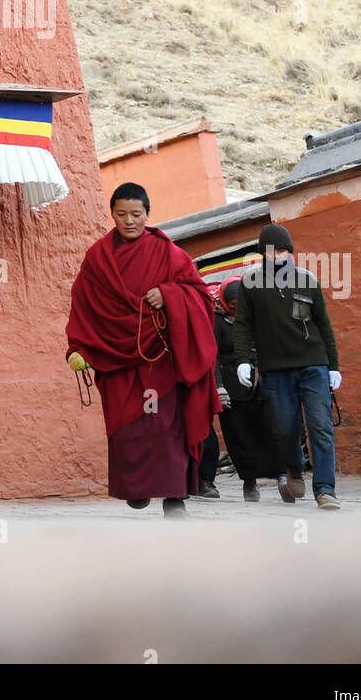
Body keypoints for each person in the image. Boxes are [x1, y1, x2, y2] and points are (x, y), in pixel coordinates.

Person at [65, 182, 220, 518]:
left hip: (160, 359)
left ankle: (174, 497)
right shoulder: (98, 257)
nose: (129, 220)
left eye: (136, 214)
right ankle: (136, 489)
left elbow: (200, 295)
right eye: (121, 214)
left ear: (148, 214)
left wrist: (169, 294)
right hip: (116, 358)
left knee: (166, 428)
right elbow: (83, 304)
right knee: (128, 429)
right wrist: (77, 346)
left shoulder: (168, 253)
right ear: (113, 215)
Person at [234, 223, 343, 509]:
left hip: (313, 365)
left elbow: (324, 326)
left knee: (321, 427)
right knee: (285, 429)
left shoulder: (307, 279)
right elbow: (243, 326)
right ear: (262, 254)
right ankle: (295, 468)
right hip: (275, 369)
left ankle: (325, 490)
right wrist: (243, 360)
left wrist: (333, 366)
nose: (278, 256)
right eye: (271, 252)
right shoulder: (250, 283)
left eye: (282, 250)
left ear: (290, 252)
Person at [215, 274, 282, 501]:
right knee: (239, 436)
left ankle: (282, 475)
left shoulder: (257, 317)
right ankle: (249, 482)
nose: (236, 310)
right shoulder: (217, 321)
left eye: (239, 305)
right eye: (232, 306)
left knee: (270, 429)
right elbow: (212, 357)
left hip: (260, 382)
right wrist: (219, 387)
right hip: (231, 388)